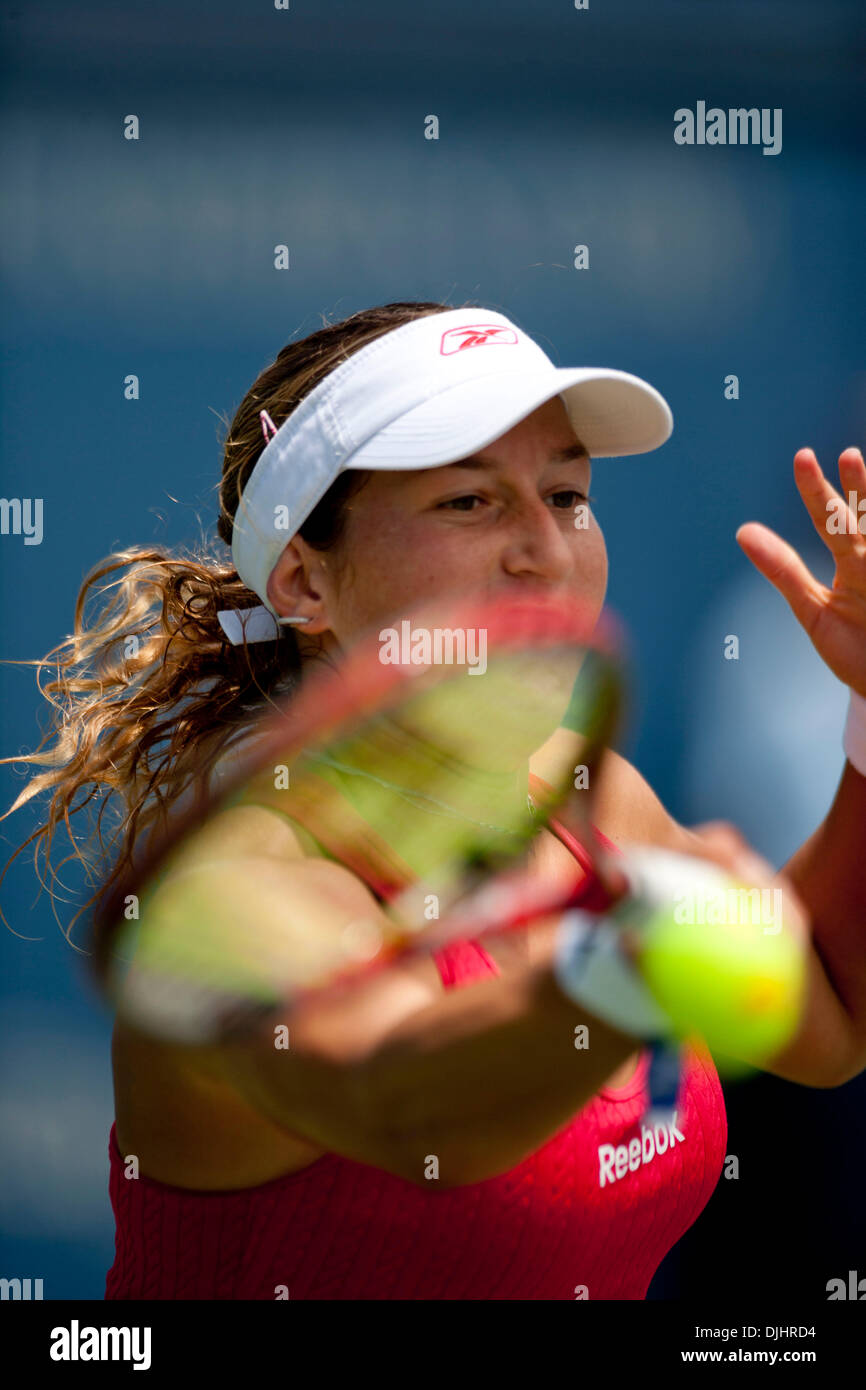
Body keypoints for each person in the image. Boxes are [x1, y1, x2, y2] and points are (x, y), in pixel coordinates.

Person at [3, 300, 866, 1300]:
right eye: (468, 501)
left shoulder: (591, 800)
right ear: (302, 581)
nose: (542, 549)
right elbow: (406, 1106)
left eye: (565, 495)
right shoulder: (238, 896)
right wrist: (621, 969)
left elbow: (832, 1016)